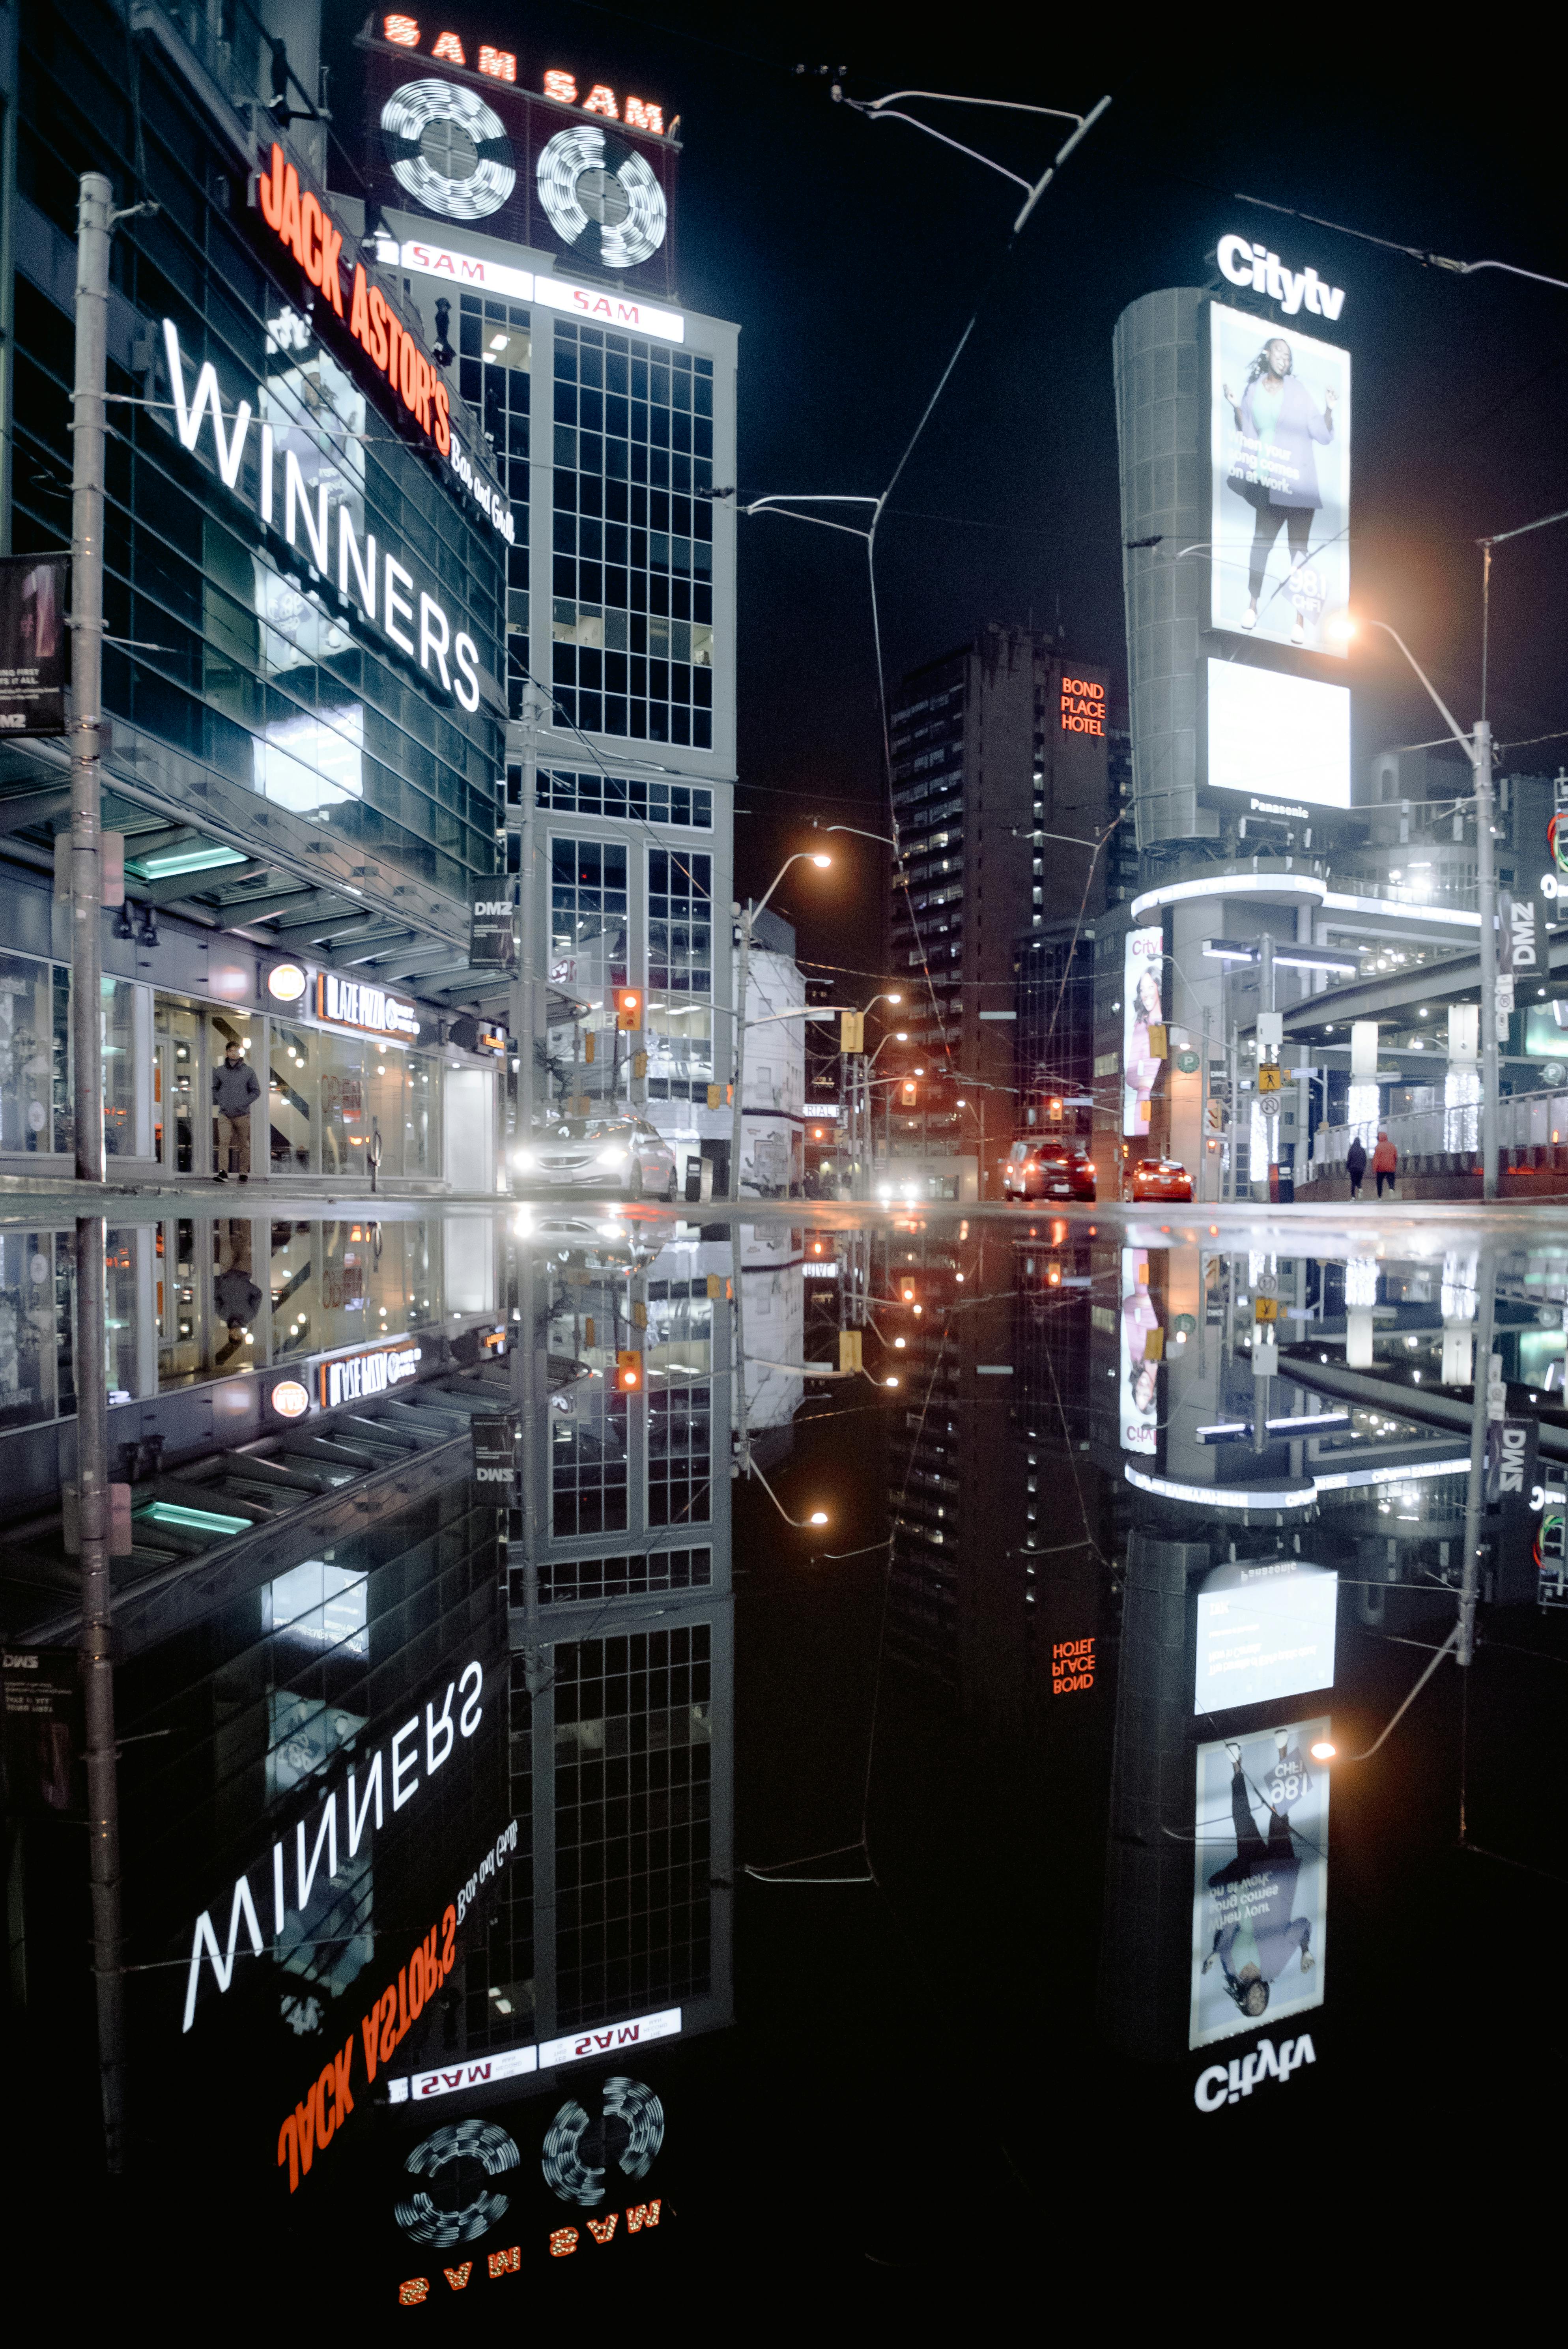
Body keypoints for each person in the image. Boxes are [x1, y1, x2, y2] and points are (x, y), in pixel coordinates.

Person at [1223, 335, 1337, 646]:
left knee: (1298, 554)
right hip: (1267, 481)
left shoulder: (1298, 390)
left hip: (1298, 484)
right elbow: (1244, 429)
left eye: (1288, 355)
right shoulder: (1252, 390)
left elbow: (1320, 432)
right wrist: (1235, 406)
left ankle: (1299, 622)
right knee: (1260, 544)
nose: (1284, 359)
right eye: (1279, 352)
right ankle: (1252, 605)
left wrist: (1329, 410)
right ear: (1267, 354)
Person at [1200, 1744, 1316, 2019]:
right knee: (1279, 1818)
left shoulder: (1228, 1965)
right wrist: (1305, 1951)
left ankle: (1236, 1766)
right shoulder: (1274, 1968)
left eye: (1253, 2006)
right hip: (1277, 1874)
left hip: (1250, 1876)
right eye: (1262, 2004)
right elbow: (1301, 1925)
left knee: (1241, 1822)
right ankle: (1282, 1752)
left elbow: (1226, 1929)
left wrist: (1215, 1953)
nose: (1259, 2000)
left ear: (1242, 2002)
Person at [213, 1036, 260, 1181]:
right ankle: (223, 1172)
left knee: (244, 1145)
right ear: (227, 1053)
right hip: (225, 1114)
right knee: (224, 1142)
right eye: (230, 1051)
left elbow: (256, 1091)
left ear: (240, 1053)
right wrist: (222, 1101)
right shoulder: (220, 1071)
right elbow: (214, 1089)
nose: (233, 1054)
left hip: (243, 1115)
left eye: (235, 1051)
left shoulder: (249, 1072)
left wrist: (243, 1103)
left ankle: (244, 1173)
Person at [1373, 1130, 1397, 1198]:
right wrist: (1394, 1164)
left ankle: (1380, 1196)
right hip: (1390, 1166)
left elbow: (1376, 1159)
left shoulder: (1378, 1147)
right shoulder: (1392, 1146)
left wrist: (1375, 1168)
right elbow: (1395, 1156)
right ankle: (1391, 1188)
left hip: (1381, 1168)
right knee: (1391, 1179)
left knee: (1379, 1182)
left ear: (1380, 1138)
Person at [1346, 1134, 1366, 1198]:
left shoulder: (1351, 1150)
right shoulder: (1363, 1150)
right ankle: (1360, 1188)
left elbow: (1349, 1159)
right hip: (1361, 1169)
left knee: (1353, 1182)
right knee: (1359, 1181)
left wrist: (1347, 1167)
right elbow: (1365, 1160)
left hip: (1353, 1169)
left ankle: (1353, 1197)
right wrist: (1363, 1167)